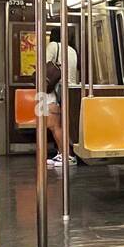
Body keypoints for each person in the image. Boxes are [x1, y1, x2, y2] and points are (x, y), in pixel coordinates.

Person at [44, 29, 79, 168]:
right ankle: (63, 153)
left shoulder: (53, 46)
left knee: (54, 125)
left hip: (56, 89)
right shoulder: (72, 50)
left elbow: (44, 66)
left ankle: (67, 155)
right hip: (69, 90)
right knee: (62, 124)